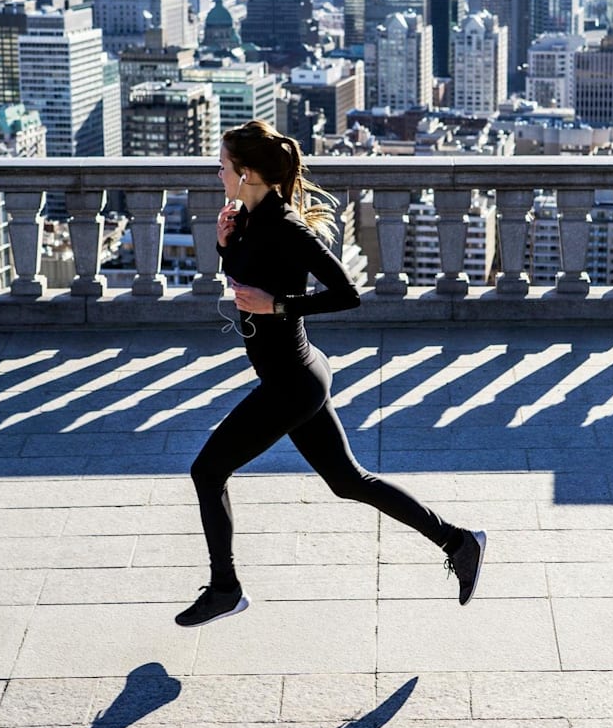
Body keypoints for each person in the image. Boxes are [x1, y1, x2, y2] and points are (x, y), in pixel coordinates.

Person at [175, 120, 486, 628]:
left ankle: (226, 589)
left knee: (207, 471)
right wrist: (225, 245)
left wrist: (277, 306)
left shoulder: (285, 226)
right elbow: (251, 273)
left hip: (292, 382)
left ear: (246, 172)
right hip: (297, 376)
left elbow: (347, 294)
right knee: (347, 480)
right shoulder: (247, 218)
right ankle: (459, 542)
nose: (218, 174)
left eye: (223, 166)